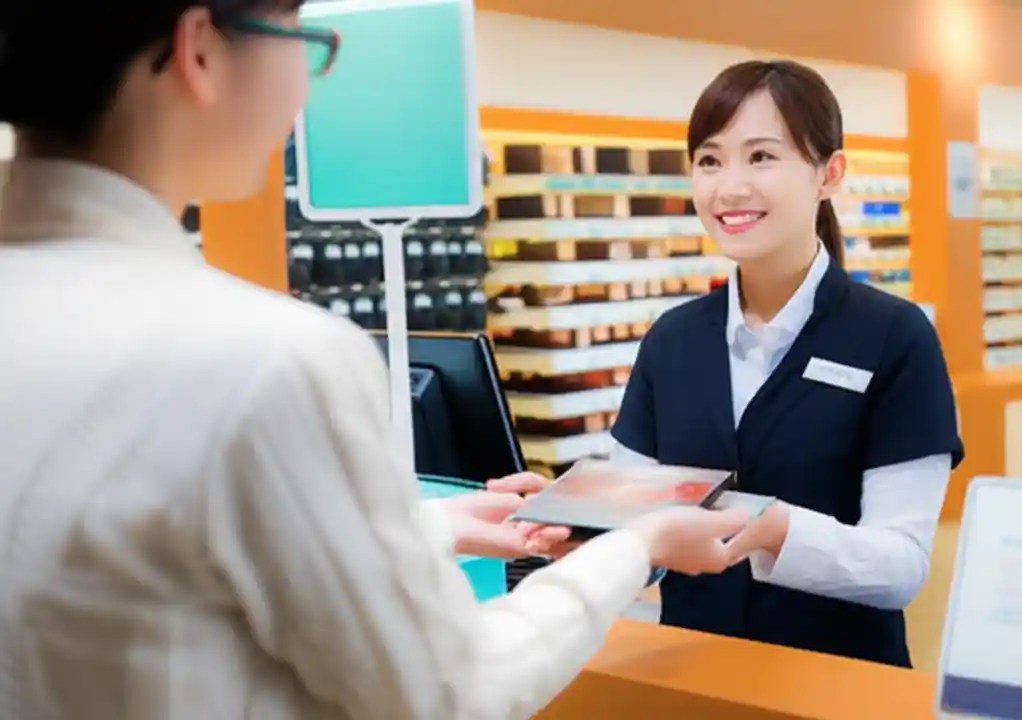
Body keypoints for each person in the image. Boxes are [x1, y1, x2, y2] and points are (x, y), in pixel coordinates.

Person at [0, 2, 752, 718]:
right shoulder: (268, 361)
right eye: (305, 40)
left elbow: (135, 580)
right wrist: (635, 545)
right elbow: (455, 691)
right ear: (199, 48)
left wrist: (421, 526)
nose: (303, 91)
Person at [609, 60, 965, 668]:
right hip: (690, 681)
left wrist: (782, 532)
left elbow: (902, 566)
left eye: (762, 157)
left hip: (838, 690)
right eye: (710, 160)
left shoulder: (894, 337)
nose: (730, 187)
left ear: (829, 173)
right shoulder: (671, 341)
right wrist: (570, 515)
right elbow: (630, 519)